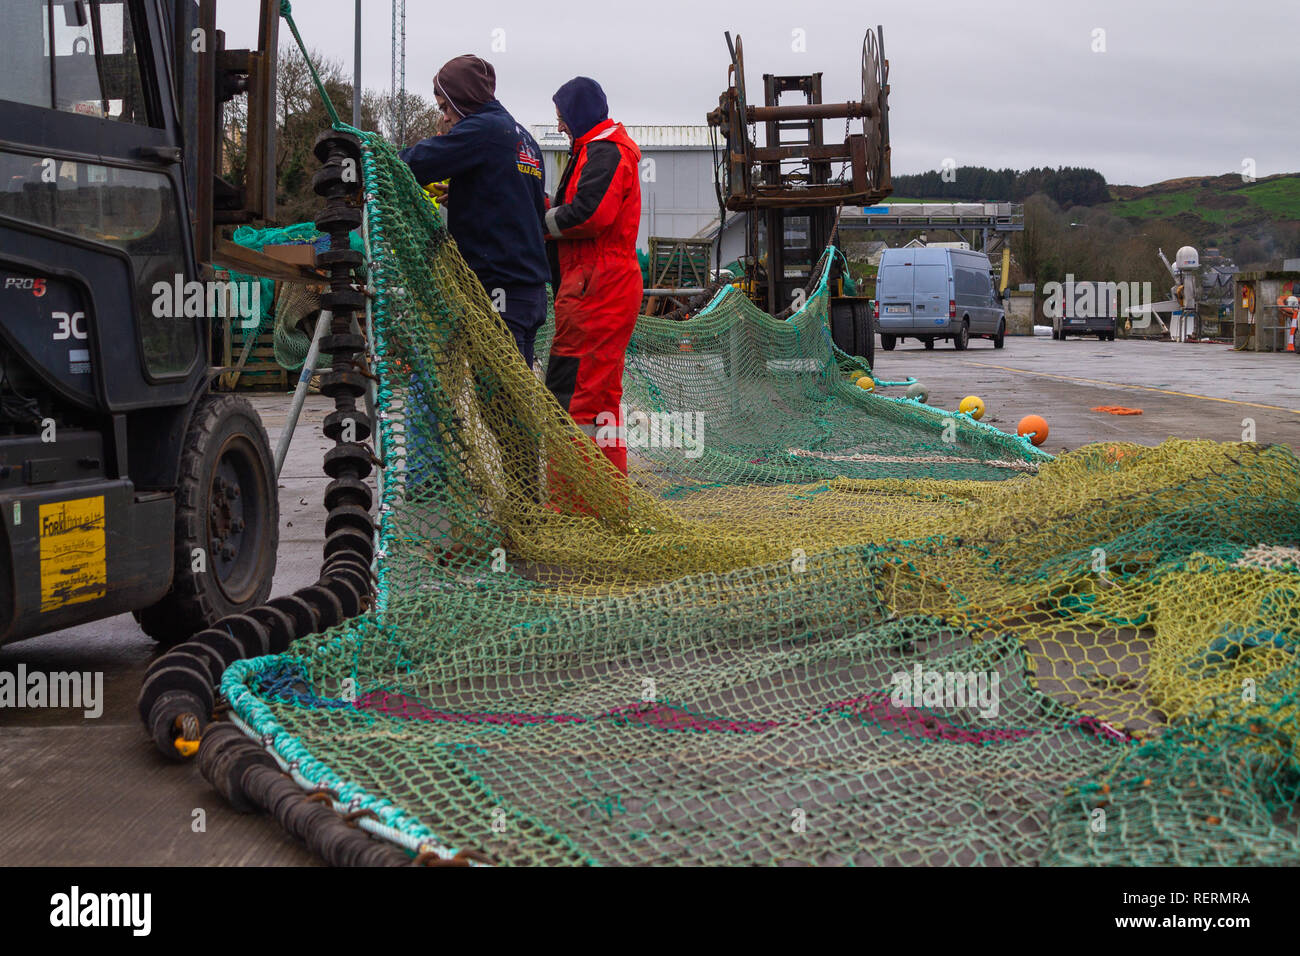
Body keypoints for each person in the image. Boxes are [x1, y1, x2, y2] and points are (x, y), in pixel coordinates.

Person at [399, 54, 550, 367]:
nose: (444, 119)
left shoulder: (484, 129)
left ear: (462, 98)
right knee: (516, 395)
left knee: (503, 402)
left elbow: (421, 162)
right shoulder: (523, 138)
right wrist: (470, 193)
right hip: (529, 290)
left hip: (500, 289)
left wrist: (370, 160)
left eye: (444, 107)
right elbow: (523, 201)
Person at [543, 76, 643, 477]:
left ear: (579, 113)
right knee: (596, 399)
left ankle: (580, 506)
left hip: (597, 288)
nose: (561, 125)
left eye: (563, 116)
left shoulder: (604, 151)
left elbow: (590, 213)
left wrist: (541, 221)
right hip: (597, 285)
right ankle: (603, 500)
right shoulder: (596, 149)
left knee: (577, 398)